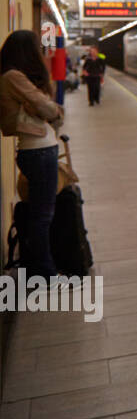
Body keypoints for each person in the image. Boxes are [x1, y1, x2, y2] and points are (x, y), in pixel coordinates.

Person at [0, 29, 65, 279]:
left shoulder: (12, 76)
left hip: (38, 150)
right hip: (38, 151)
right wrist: (54, 112)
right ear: (27, 51)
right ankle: (46, 275)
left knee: (41, 214)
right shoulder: (13, 77)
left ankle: (43, 269)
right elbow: (46, 106)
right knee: (42, 216)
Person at [51, 37, 68, 106]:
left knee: (57, 89)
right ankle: (60, 101)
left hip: (56, 74)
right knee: (60, 89)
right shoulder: (63, 52)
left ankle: (58, 101)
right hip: (61, 74)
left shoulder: (54, 52)